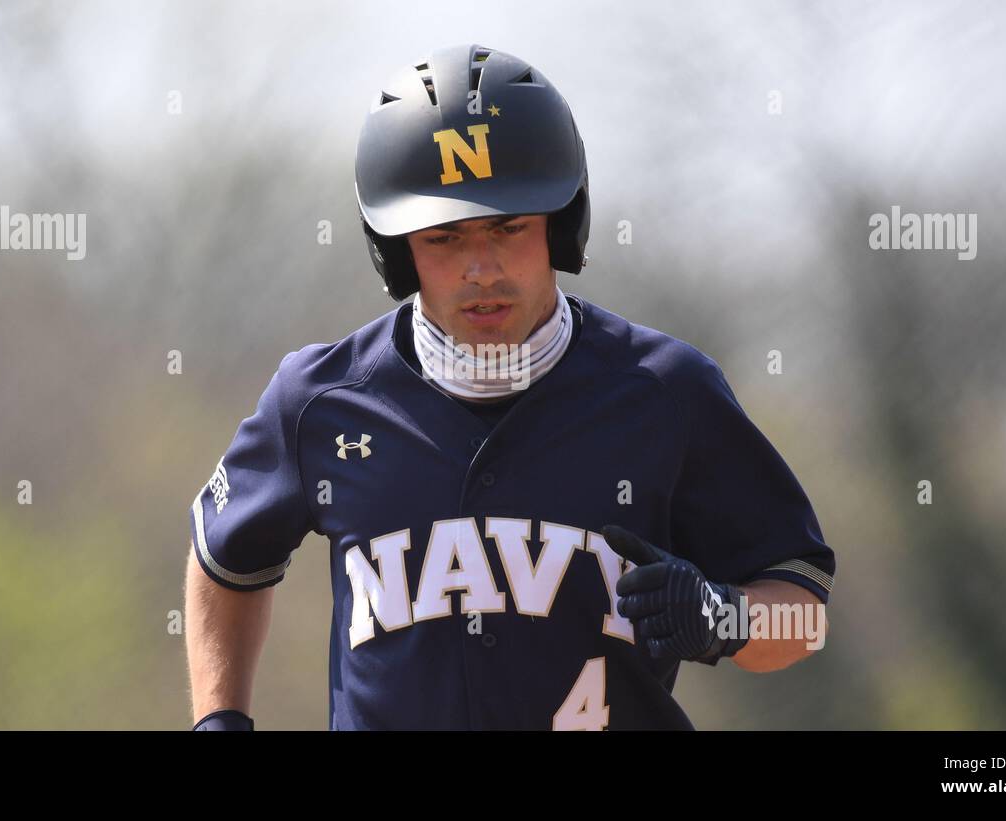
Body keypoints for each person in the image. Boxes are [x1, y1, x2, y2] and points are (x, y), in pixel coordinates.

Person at [185, 43, 835, 730]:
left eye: (508, 226)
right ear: (394, 248)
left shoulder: (666, 391)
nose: (481, 267)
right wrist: (218, 719)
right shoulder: (316, 402)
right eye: (444, 237)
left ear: (561, 224)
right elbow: (225, 561)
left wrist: (724, 616)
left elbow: (803, 611)